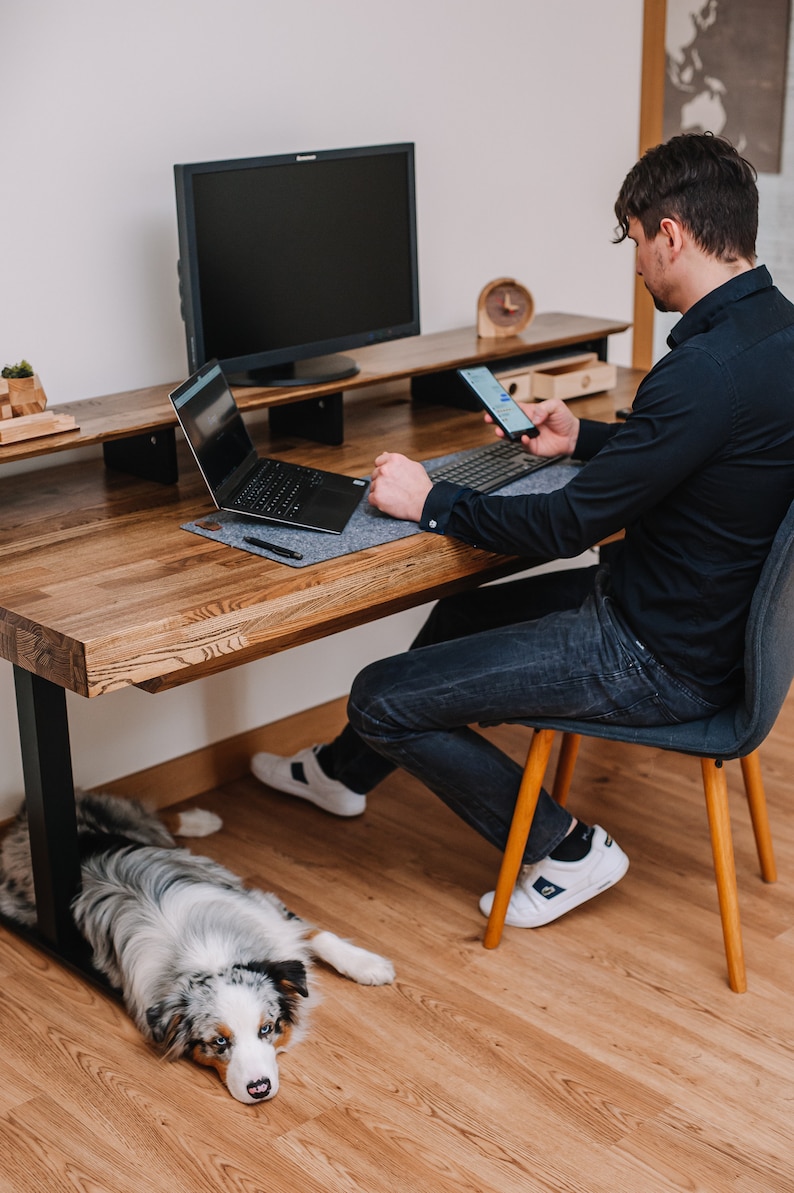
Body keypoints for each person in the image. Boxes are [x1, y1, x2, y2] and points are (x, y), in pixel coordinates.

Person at [252, 133, 794, 929]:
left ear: (671, 234)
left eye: (637, 241)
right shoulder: (775, 333)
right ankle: (341, 774)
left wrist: (429, 500)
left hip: (655, 656)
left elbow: (567, 523)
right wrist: (584, 438)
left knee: (380, 695)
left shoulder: (701, 370)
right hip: (707, 627)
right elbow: (697, 454)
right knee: (461, 614)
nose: (638, 262)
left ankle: (567, 847)